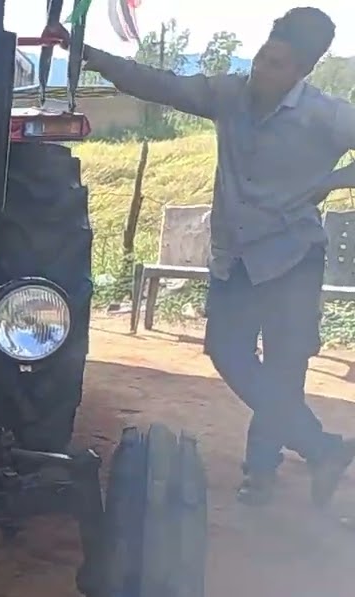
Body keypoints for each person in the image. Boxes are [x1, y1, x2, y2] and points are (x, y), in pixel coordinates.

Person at [49, 7, 355, 506]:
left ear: (303, 71)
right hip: (235, 257)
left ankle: (261, 472)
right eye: (261, 56)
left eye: (276, 64)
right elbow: (157, 83)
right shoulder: (228, 95)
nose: (261, 69)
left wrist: (333, 181)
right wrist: (86, 53)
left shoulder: (328, 116)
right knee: (227, 352)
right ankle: (320, 447)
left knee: (284, 366)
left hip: (292, 258)